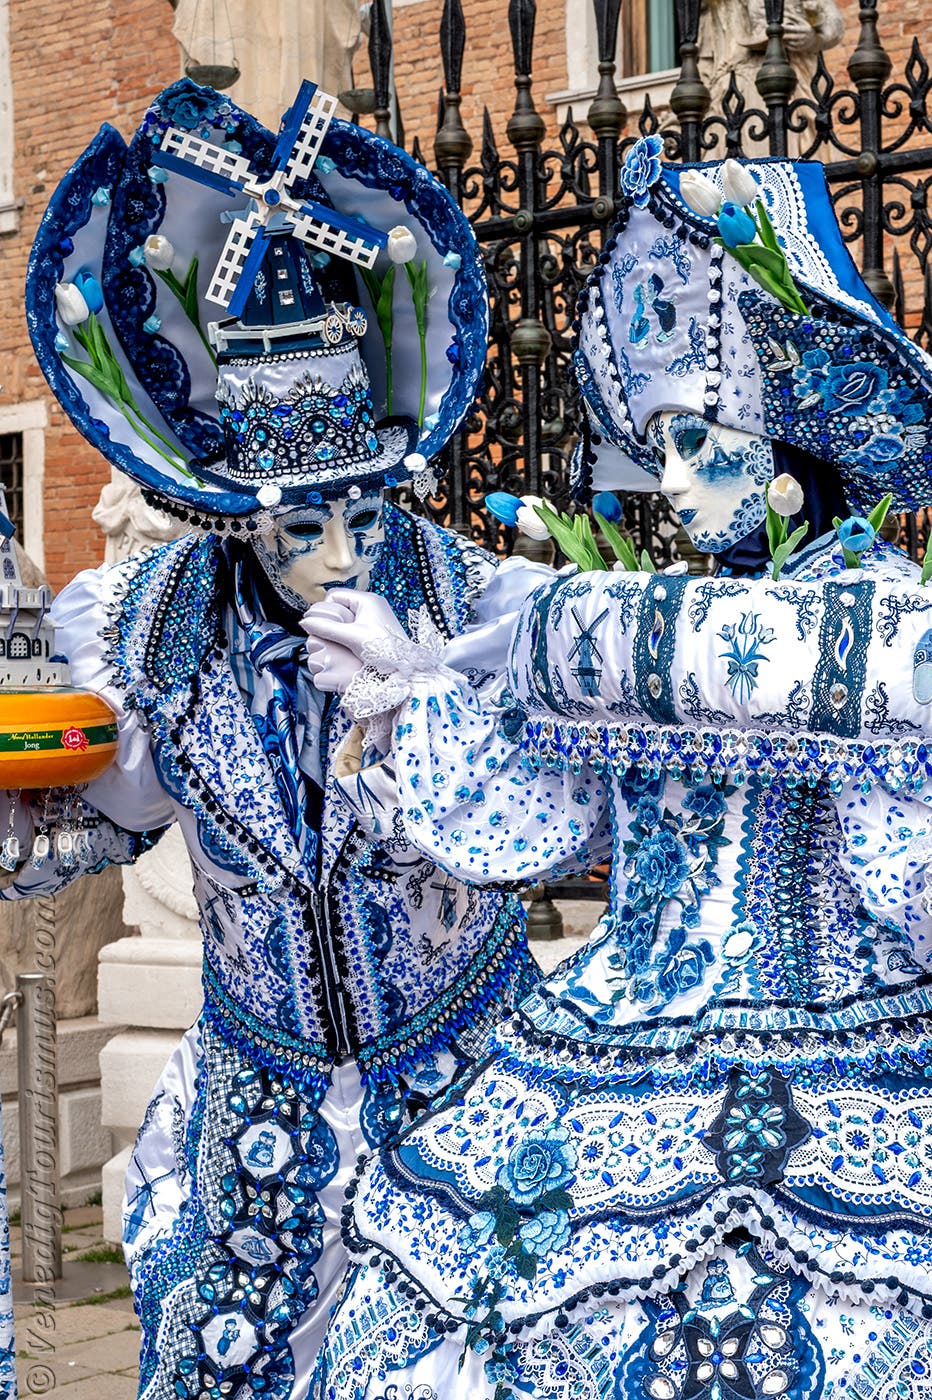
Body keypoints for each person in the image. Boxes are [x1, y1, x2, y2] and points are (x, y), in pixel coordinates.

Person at [305, 146, 932, 1398]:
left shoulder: (880, 627)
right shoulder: (647, 630)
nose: (672, 477)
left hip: (839, 1062)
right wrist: (407, 691)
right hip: (594, 1044)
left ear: (790, 454)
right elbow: (545, 814)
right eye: (659, 446)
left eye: (700, 440)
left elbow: (900, 873)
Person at [7, 77, 543, 1399]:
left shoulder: (475, 600)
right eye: (303, 525)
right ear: (235, 516)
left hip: (476, 1099)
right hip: (260, 1115)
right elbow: (83, 823)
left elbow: (551, 818)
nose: (341, 553)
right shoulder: (146, 633)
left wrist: (422, 708)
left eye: (361, 512)